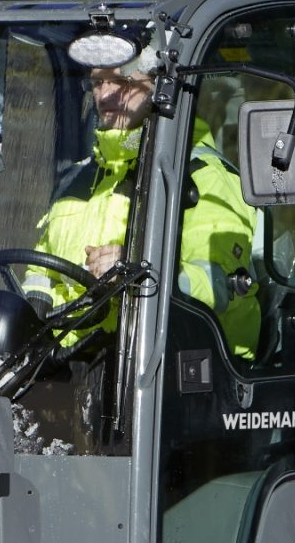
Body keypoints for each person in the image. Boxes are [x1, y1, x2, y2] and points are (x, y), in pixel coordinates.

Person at [33, 48, 262, 356]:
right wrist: (28, 313)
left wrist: (137, 271)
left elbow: (217, 287)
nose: (104, 95)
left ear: (161, 83)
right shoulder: (81, 181)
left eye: (121, 81)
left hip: (172, 372)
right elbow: (37, 273)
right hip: (68, 370)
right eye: (97, 84)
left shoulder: (201, 177)